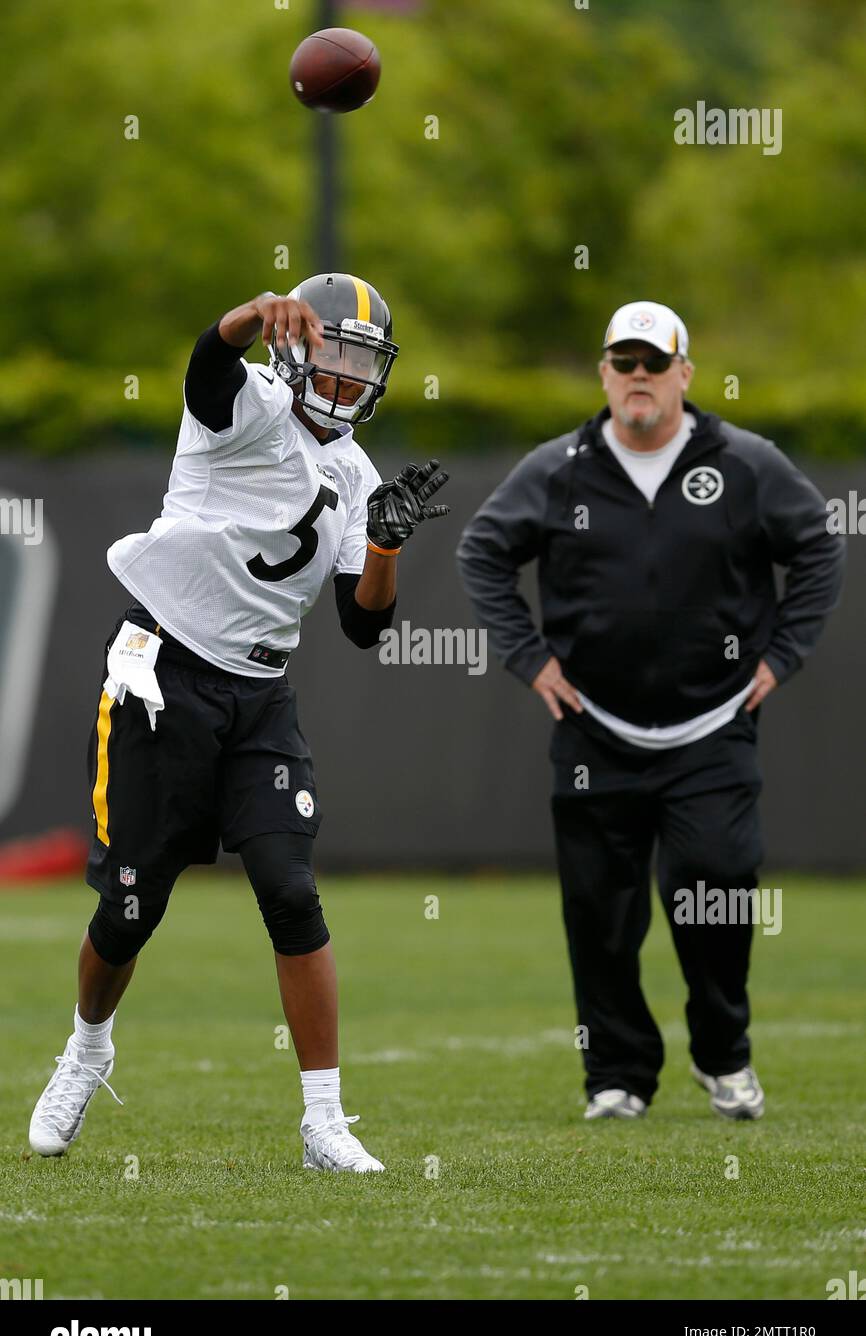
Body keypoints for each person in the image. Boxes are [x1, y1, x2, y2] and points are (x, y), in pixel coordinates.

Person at [29, 274, 449, 1170]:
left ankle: (324, 1122)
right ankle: (86, 1049)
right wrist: (250, 313)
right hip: (163, 670)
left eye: (362, 360)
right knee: (131, 906)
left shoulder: (355, 469)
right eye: (333, 350)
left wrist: (384, 545)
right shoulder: (247, 408)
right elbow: (207, 360)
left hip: (258, 698)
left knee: (291, 891)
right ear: (293, 346)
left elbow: (365, 624)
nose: (347, 374)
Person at [457, 300, 844, 1121]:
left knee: (719, 885)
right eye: (622, 363)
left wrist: (783, 657)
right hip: (595, 728)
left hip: (713, 726)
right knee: (600, 914)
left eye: (654, 364)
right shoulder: (558, 467)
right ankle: (617, 1076)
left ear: (684, 375)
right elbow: (482, 551)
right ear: (602, 374)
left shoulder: (745, 464)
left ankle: (723, 1052)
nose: (639, 378)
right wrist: (530, 660)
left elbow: (818, 546)